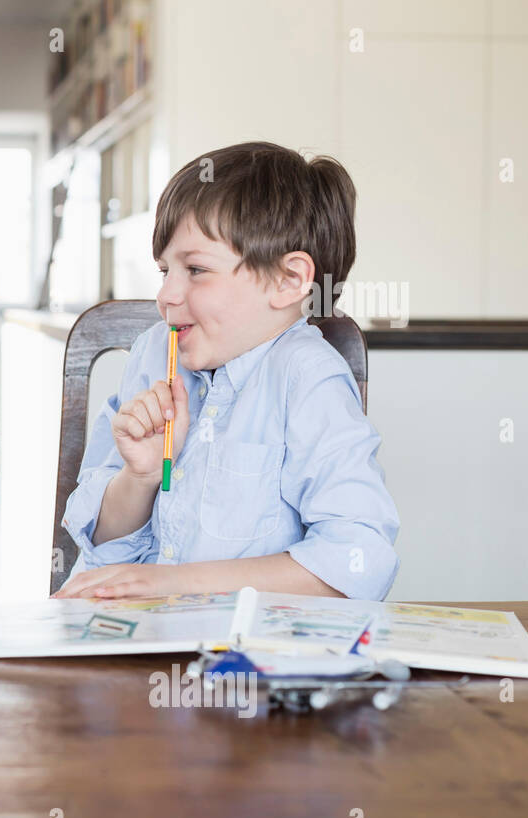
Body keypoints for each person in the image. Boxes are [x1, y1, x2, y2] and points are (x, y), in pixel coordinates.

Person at [56, 141, 398, 602]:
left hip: (253, 663)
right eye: (164, 271)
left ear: (288, 280)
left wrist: (174, 583)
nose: (167, 296)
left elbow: (359, 558)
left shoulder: (307, 376)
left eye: (195, 269)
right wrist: (139, 479)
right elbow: (101, 543)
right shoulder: (155, 352)